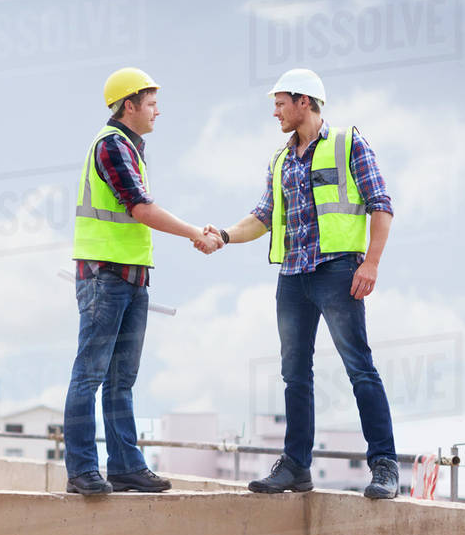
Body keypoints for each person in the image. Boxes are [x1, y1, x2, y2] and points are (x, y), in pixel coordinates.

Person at [199, 68, 399, 500]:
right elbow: (263, 216)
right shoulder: (280, 159)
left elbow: (381, 204)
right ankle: (295, 466)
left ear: (303, 101)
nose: (275, 112)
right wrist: (225, 236)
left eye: (280, 103)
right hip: (292, 277)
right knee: (294, 375)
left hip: (337, 271)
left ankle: (384, 464)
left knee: (359, 367)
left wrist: (372, 263)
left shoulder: (348, 143)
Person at [64, 67, 222, 496]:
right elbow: (139, 208)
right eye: (151, 103)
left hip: (130, 277)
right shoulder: (112, 146)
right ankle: (82, 469)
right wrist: (195, 233)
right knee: (90, 376)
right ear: (129, 105)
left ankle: (126, 467)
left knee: (121, 380)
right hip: (105, 277)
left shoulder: (131, 148)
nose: (158, 110)